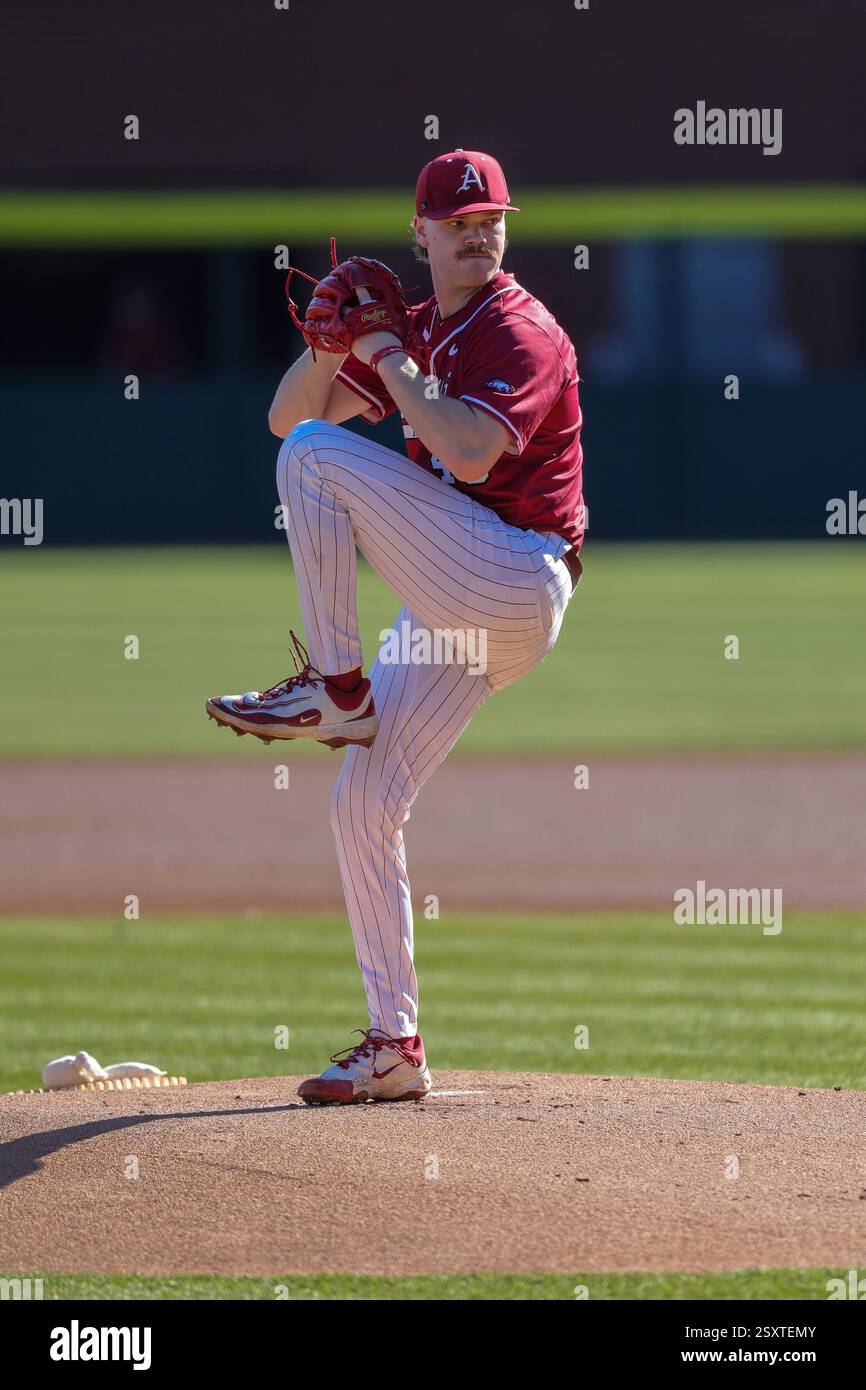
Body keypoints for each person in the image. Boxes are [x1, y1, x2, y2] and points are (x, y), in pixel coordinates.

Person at [207, 149, 586, 1104]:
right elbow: (285, 412)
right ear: (421, 234)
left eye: (490, 219)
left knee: (319, 461)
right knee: (362, 803)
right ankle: (394, 1046)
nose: (476, 234)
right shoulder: (416, 329)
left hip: (513, 578)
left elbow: (462, 453)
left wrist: (381, 356)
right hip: (455, 599)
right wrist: (333, 345)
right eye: (457, 223)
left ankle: (336, 690)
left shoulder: (520, 330)